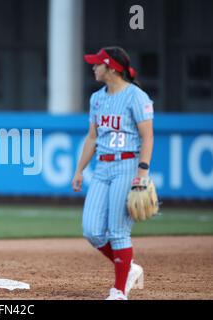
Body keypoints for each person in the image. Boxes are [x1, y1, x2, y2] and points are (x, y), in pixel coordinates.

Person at [72, 46, 154, 300]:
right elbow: (93, 137)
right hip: (102, 167)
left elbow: (147, 136)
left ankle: (119, 290)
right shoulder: (97, 98)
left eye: (98, 64)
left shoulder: (136, 97)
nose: (93, 68)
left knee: (118, 231)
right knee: (92, 230)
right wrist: (79, 170)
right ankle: (128, 266)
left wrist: (142, 172)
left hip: (127, 166)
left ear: (112, 68)